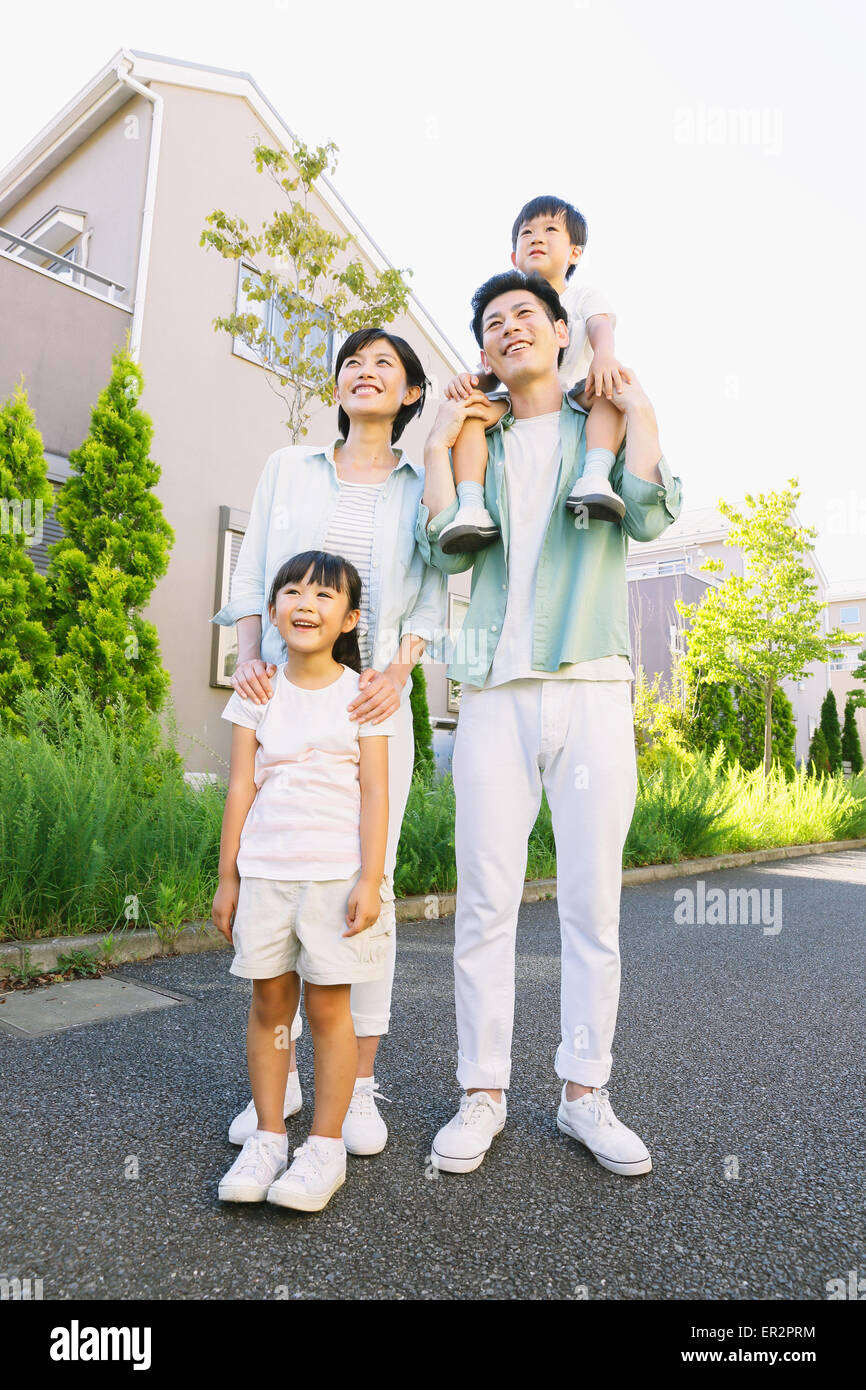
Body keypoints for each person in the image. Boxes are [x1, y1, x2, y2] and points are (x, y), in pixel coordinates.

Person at [416, 269, 683, 1176]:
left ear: (561, 331)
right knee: (485, 902)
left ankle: (585, 1093)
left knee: (590, 904)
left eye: (525, 313)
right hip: (492, 689)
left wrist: (634, 395)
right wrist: (440, 431)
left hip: (592, 683)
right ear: (484, 349)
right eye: (492, 322)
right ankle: (480, 1093)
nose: (508, 328)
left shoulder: (595, 429)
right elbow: (432, 539)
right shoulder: (477, 439)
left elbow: (651, 513)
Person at [211, 330, 447, 1156]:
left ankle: (360, 1089)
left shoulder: (423, 487)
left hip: (369, 704)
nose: (365, 372)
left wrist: (401, 672)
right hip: (283, 696)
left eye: (385, 364)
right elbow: (253, 579)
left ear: (412, 393)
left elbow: (434, 595)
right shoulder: (288, 467)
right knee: (276, 883)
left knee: (361, 889)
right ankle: (283, 1089)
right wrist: (246, 658)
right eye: (353, 362)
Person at [213, 550, 398, 1212]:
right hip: (265, 872)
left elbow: (375, 792)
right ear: (272, 612)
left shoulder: (364, 695)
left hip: (333, 877)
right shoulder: (256, 691)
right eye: (291, 590)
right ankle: (267, 1138)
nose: (305, 602)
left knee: (326, 1007)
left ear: (347, 618)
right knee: (269, 1004)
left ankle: (324, 1146)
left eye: (323, 595)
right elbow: (240, 786)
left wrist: (370, 880)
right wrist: (227, 877)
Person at [438, 195, 626, 555]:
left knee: (610, 391)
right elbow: (494, 369)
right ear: (514, 258)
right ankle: (471, 505)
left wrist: (605, 357)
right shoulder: (505, 304)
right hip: (520, 402)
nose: (537, 238)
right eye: (527, 233)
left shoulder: (584, 295)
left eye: (551, 230)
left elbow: (600, 327)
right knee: (473, 414)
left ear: (575, 252)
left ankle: (596, 476)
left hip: (575, 394)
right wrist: (471, 383)